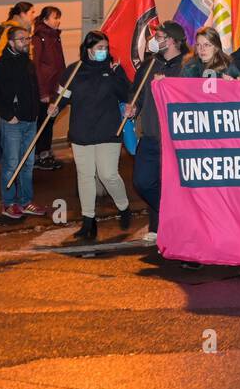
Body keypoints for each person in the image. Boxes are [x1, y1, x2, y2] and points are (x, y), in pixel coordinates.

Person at [47, 30, 133, 241]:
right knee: (84, 177)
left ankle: (124, 206)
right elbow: (62, 96)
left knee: (107, 174)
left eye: (105, 47)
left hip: (108, 131)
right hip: (81, 132)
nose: (103, 51)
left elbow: (127, 93)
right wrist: (54, 107)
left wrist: (115, 76)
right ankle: (88, 222)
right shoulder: (73, 71)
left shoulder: (114, 69)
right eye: (99, 48)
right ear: (88, 49)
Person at [125, 21, 187, 244]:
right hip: (150, 135)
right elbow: (137, 93)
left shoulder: (187, 67)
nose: (155, 40)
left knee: (169, 183)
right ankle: (169, 217)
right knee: (143, 182)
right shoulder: (150, 64)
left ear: (171, 40)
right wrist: (133, 106)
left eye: (159, 36)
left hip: (174, 139)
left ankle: (158, 225)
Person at [0, 24, 47, 219]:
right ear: (11, 42)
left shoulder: (28, 63)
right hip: (13, 123)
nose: (26, 43)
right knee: (11, 163)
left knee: (27, 164)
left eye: (28, 39)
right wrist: (8, 115)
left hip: (31, 121)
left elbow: (33, 89)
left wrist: (37, 110)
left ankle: (26, 201)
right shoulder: (2, 66)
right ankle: (9, 203)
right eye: (22, 39)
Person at [30, 5, 66, 170]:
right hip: (45, 87)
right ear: (45, 19)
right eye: (54, 17)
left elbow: (60, 62)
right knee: (44, 121)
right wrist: (42, 91)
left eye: (58, 17)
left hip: (55, 86)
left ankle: (45, 152)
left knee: (50, 120)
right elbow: (37, 65)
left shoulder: (55, 36)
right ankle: (40, 154)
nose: (57, 21)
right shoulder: (40, 38)